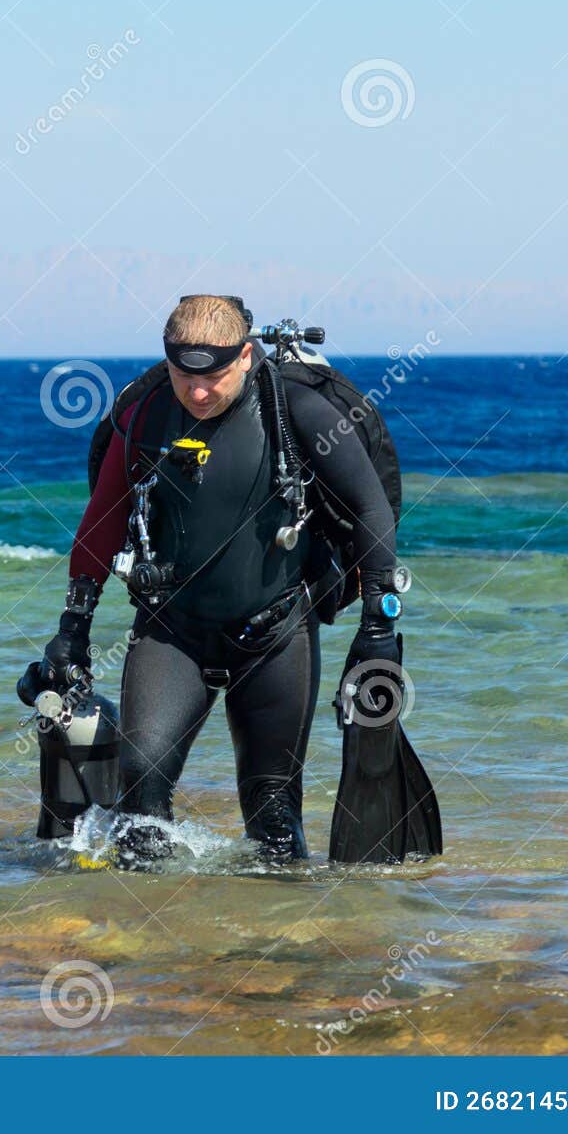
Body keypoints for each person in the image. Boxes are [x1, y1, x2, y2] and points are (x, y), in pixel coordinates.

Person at [39, 295, 405, 865]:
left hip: (276, 635)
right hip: (171, 632)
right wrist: (73, 629)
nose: (198, 392)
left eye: (213, 376)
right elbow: (101, 523)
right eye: (184, 376)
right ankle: (139, 920)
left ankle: (270, 923)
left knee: (273, 816)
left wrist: (377, 626)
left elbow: (369, 508)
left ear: (245, 356)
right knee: (141, 793)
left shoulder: (297, 411)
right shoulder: (143, 417)